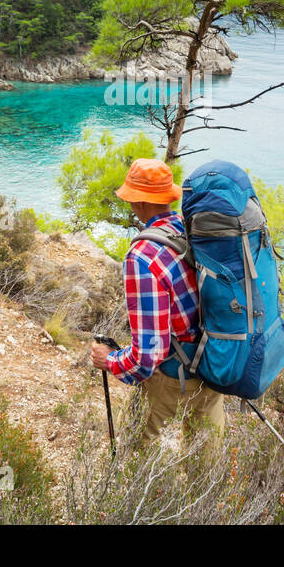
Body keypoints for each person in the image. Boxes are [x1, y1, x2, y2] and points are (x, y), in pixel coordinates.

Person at [90, 158, 224, 443]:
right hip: (215, 362)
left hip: (173, 377)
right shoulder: (189, 229)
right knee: (210, 471)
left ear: (138, 202)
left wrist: (110, 360)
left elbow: (149, 354)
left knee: (135, 458)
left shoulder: (142, 257)